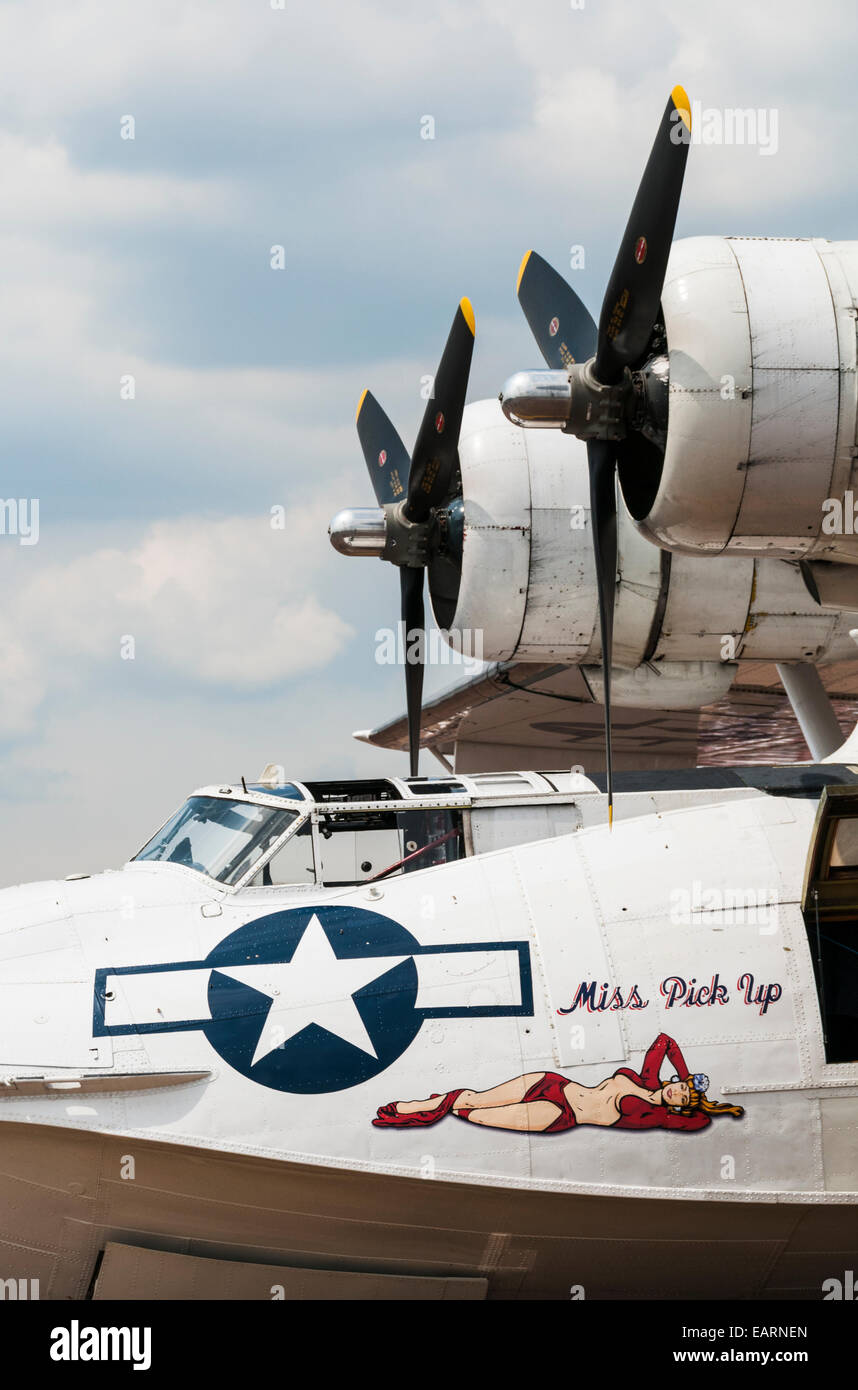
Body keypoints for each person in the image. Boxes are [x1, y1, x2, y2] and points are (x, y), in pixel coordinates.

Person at [372, 1032, 744, 1133]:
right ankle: (415, 1106)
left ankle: (418, 1108)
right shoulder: (648, 1079)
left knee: (471, 1114)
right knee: (475, 1097)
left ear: (678, 1107)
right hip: (554, 1084)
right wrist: (686, 1070)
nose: (676, 1089)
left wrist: (707, 1105)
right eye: (680, 1084)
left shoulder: (655, 1116)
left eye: (681, 1096)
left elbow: (700, 1121)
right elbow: (664, 1040)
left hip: (559, 1113)